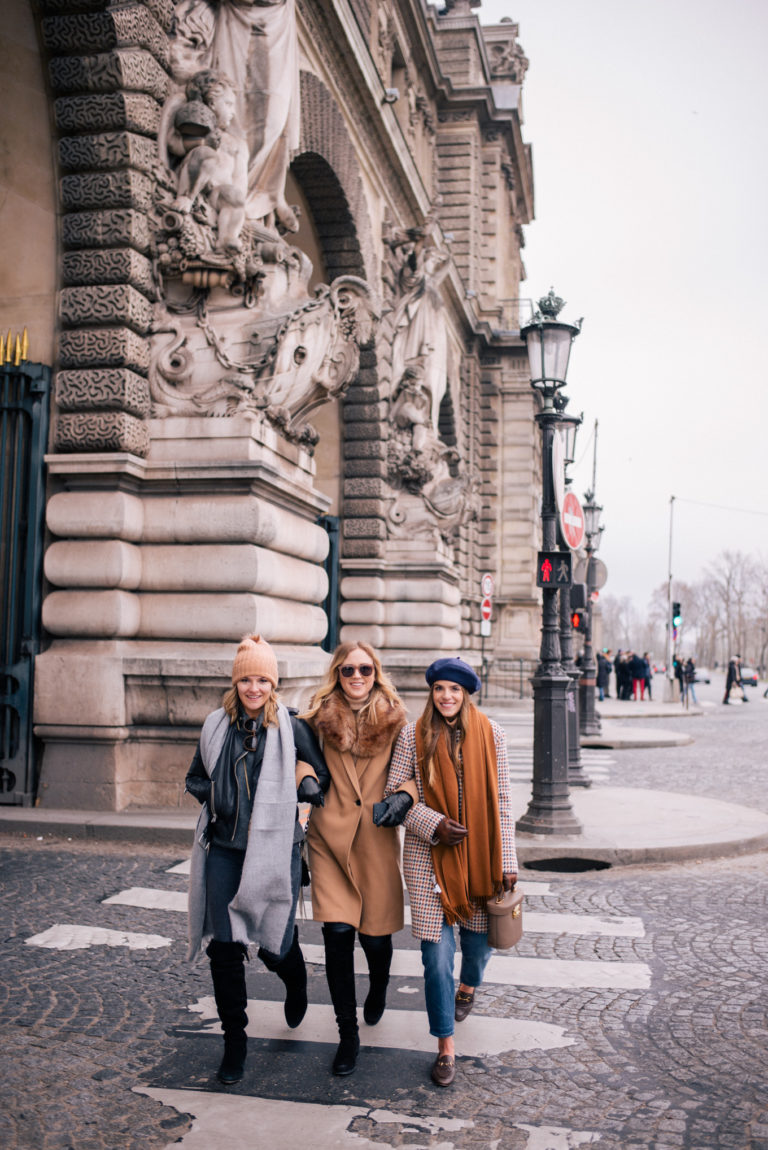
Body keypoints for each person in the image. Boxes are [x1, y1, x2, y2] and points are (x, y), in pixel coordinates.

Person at [185, 633, 329, 1084]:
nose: (253, 688)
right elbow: (194, 778)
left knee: (272, 945)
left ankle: (295, 974)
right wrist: (220, 798)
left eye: (262, 679)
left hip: (273, 851)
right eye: (246, 679)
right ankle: (235, 1042)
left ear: (273, 683)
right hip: (224, 851)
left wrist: (306, 784)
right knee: (225, 950)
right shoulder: (215, 726)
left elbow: (318, 773)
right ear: (236, 682)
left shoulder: (291, 726)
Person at [382, 657, 517, 1089]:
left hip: (481, 860)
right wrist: (433, 824)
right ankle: (445, 1045)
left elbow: (503, 800)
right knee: (435, 960)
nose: (446, 697)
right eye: (440, 688)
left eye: (454, 690)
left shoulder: (492, 734)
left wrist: (509, 861)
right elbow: (395, 796)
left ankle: (470, 986)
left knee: (476, 950)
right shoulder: (412, 735)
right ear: (431, 692)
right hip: (428, 862)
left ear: (467, 694)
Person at [301, 641, 415, 1077]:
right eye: (348, 670)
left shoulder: (398, 722)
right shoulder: (316, 718)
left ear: (376, 673)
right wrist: (306, 779)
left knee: (375, 941)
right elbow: (297, 759)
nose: (356, 678)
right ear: (337, 673)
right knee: (336, 936)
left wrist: (403, 798)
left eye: (364, 670)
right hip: (329, 838)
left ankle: (380, 982)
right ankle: (347, 1034)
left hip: (375, 840)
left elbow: (417, 775)